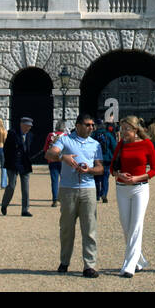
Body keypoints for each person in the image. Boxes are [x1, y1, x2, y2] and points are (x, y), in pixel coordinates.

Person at [46, 113, 102, 277]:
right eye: (87, 124)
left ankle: (89, 265)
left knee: (90, 228)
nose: (91, 127)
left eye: (92, 125)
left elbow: (100, 168)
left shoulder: (95, 144)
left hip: (88, 189)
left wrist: (89, 170)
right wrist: (63, 157)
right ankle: (64, 261)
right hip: (68, 188)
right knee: (66, 228)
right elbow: (49, 154)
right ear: (77, 125)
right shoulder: (65, 140)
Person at [111, 116, 155, 278]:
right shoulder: (121, 145)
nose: (123, 132)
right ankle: (139, 260)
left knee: (136, 226)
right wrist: (119, 174)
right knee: (126, 227)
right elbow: (112, 168)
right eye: (122, 129)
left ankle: (129, 265)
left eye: (126, 129)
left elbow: (154, 170)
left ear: (135, 130)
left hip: (140, 189)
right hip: (122, 188)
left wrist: (137, 178)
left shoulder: (147, 144)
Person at [0, 117, 34, 216]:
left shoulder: (30, 135)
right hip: (13, 163)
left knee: (25, 187)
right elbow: (6, 149)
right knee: (11, 185)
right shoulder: (12, 133)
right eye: (27, 126)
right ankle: (4, 204)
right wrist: (9, 161)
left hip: (25, 164)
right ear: (22, 125)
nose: (28, 128)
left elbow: (29, 150)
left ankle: (25, 209)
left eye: (30, 126)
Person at [44, 122, 67, 207]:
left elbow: (46, 148)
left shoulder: (50, 135)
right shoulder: (65, 136)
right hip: (62, 160)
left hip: (52, 160)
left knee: (54, 181)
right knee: (64, 180)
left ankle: (55, 199)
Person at [94, 120, 117, 203]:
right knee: (105, 178)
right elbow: (114, 147)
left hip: (96, 159)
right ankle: (104, 194)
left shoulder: (94, 134)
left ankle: (97, 195)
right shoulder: (108, 135)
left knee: (96, 178)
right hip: (107, 159)